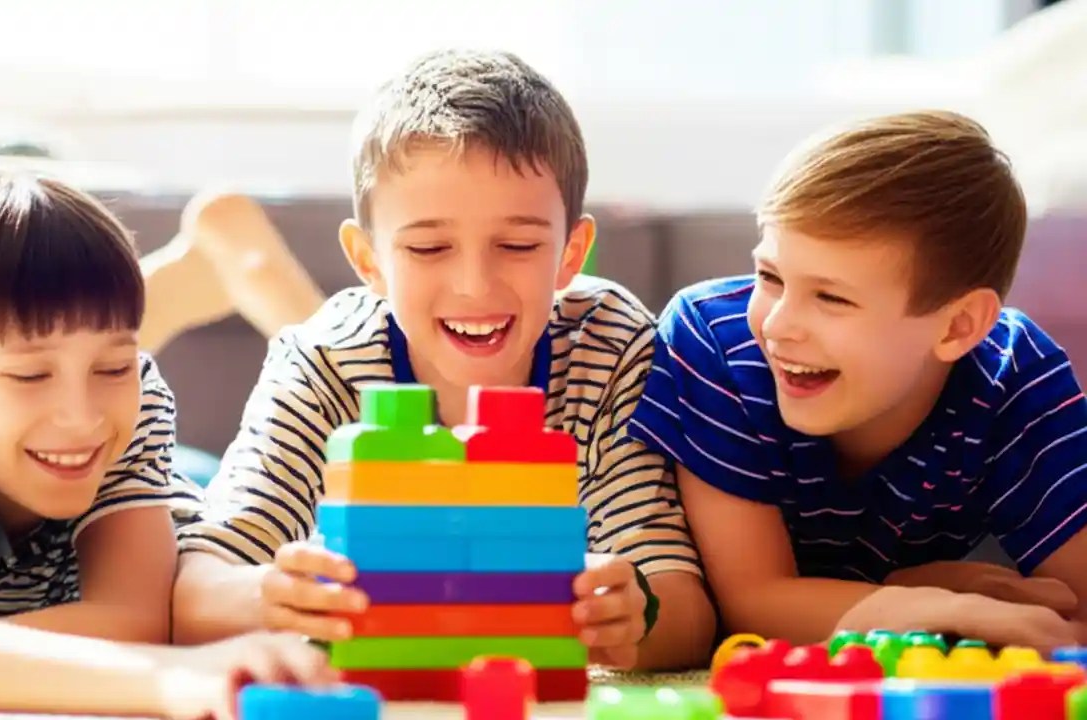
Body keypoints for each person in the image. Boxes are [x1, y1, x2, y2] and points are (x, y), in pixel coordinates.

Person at [172, 48, 716, 671]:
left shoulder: (611, 349)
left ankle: (242, 266)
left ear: (572, 252)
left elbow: (686, 609)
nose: (474, 286)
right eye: (429, 247)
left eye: (517, 244)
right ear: (368, 259)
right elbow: (193, 596)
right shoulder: (322, 359)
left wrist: (633, 618)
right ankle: (215, 272)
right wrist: (272, 595)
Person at [0, 166, 333, 715]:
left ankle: (274, 301)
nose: (83, 417)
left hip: (174, 486)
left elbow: (135, 617)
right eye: (28, 376)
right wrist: (184, 677)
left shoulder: (129, 411)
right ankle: (196, 276)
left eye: (115, 366)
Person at [627, 110, 1087, 654]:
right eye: (770, 277)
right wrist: (942, 606)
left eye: (831, 298)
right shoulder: (715, 343)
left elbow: (1070, 605)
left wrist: (911, 597)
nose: (776, 326)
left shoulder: (1013, 374)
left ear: (959, 325)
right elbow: (752, 601)